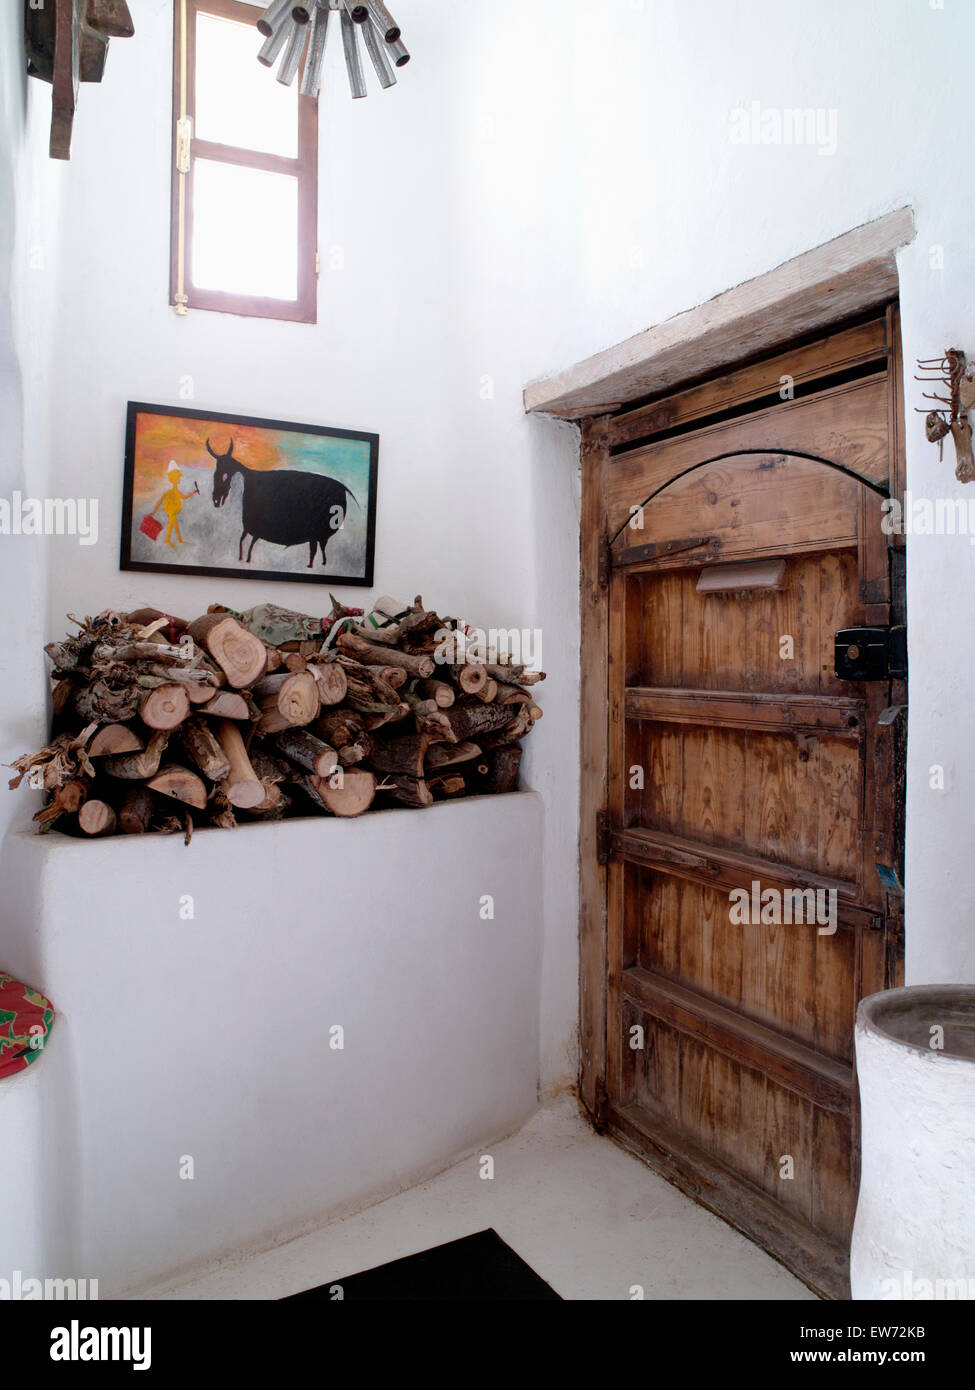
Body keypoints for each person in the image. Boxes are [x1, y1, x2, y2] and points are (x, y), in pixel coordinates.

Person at [151, 463, 200, 548]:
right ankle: (168, 540)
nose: (179, 478)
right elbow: (160, 501)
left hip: (173, 511)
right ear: (173, 478)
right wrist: (154, 512)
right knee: (171, 523)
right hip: (171, 511)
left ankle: (179, 539)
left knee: (175, 523)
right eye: (178, 477)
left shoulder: (176, 492)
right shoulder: (169, 492)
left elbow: (184, 497)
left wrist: (194, 492)